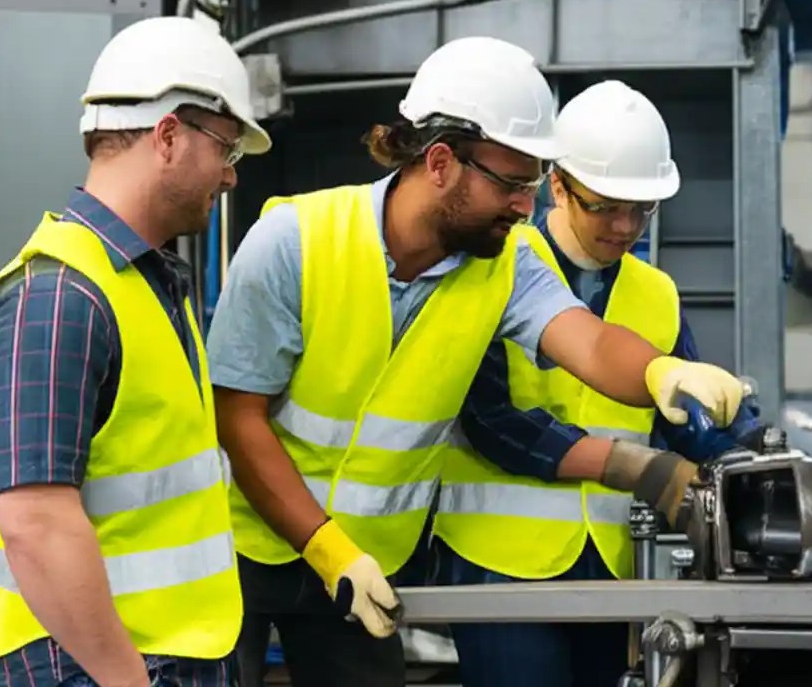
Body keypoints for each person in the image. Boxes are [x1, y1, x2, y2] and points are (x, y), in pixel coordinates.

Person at [205, 36, 748, 687]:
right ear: (440, 163)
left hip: (366, 565)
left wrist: (663, 372)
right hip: (244, 547)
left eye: (531, 185)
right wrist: (324, 546)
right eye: (512, 185)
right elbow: (238, 418)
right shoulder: (294, 242)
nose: (526, 206)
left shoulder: (505, 265)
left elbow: (590, 342)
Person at [0, 16, 271, 687]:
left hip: (168, 655)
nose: (228, 176)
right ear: (168, 137)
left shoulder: (143, 284)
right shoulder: (58, 297)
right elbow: (36, 524)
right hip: (105, 669)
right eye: (226, 148)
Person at [431, 79, 753, 686]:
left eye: (642, 208)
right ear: (557, 185)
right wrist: (635, 467)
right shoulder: (495, 266)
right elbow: (490, 421)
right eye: (605, 206)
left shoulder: (655, 292)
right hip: (498, 560)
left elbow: (683, 419)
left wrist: (746, 453)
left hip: (608, 560)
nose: (625, 226)